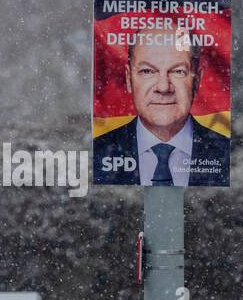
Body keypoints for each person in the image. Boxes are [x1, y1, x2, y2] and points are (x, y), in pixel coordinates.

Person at [93, 29, 230, 186]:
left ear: (197, 80)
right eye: (147, 71)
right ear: (129, 78)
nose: (164, 87)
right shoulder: (96, 153)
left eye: (178, 71)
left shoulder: (228, 155)